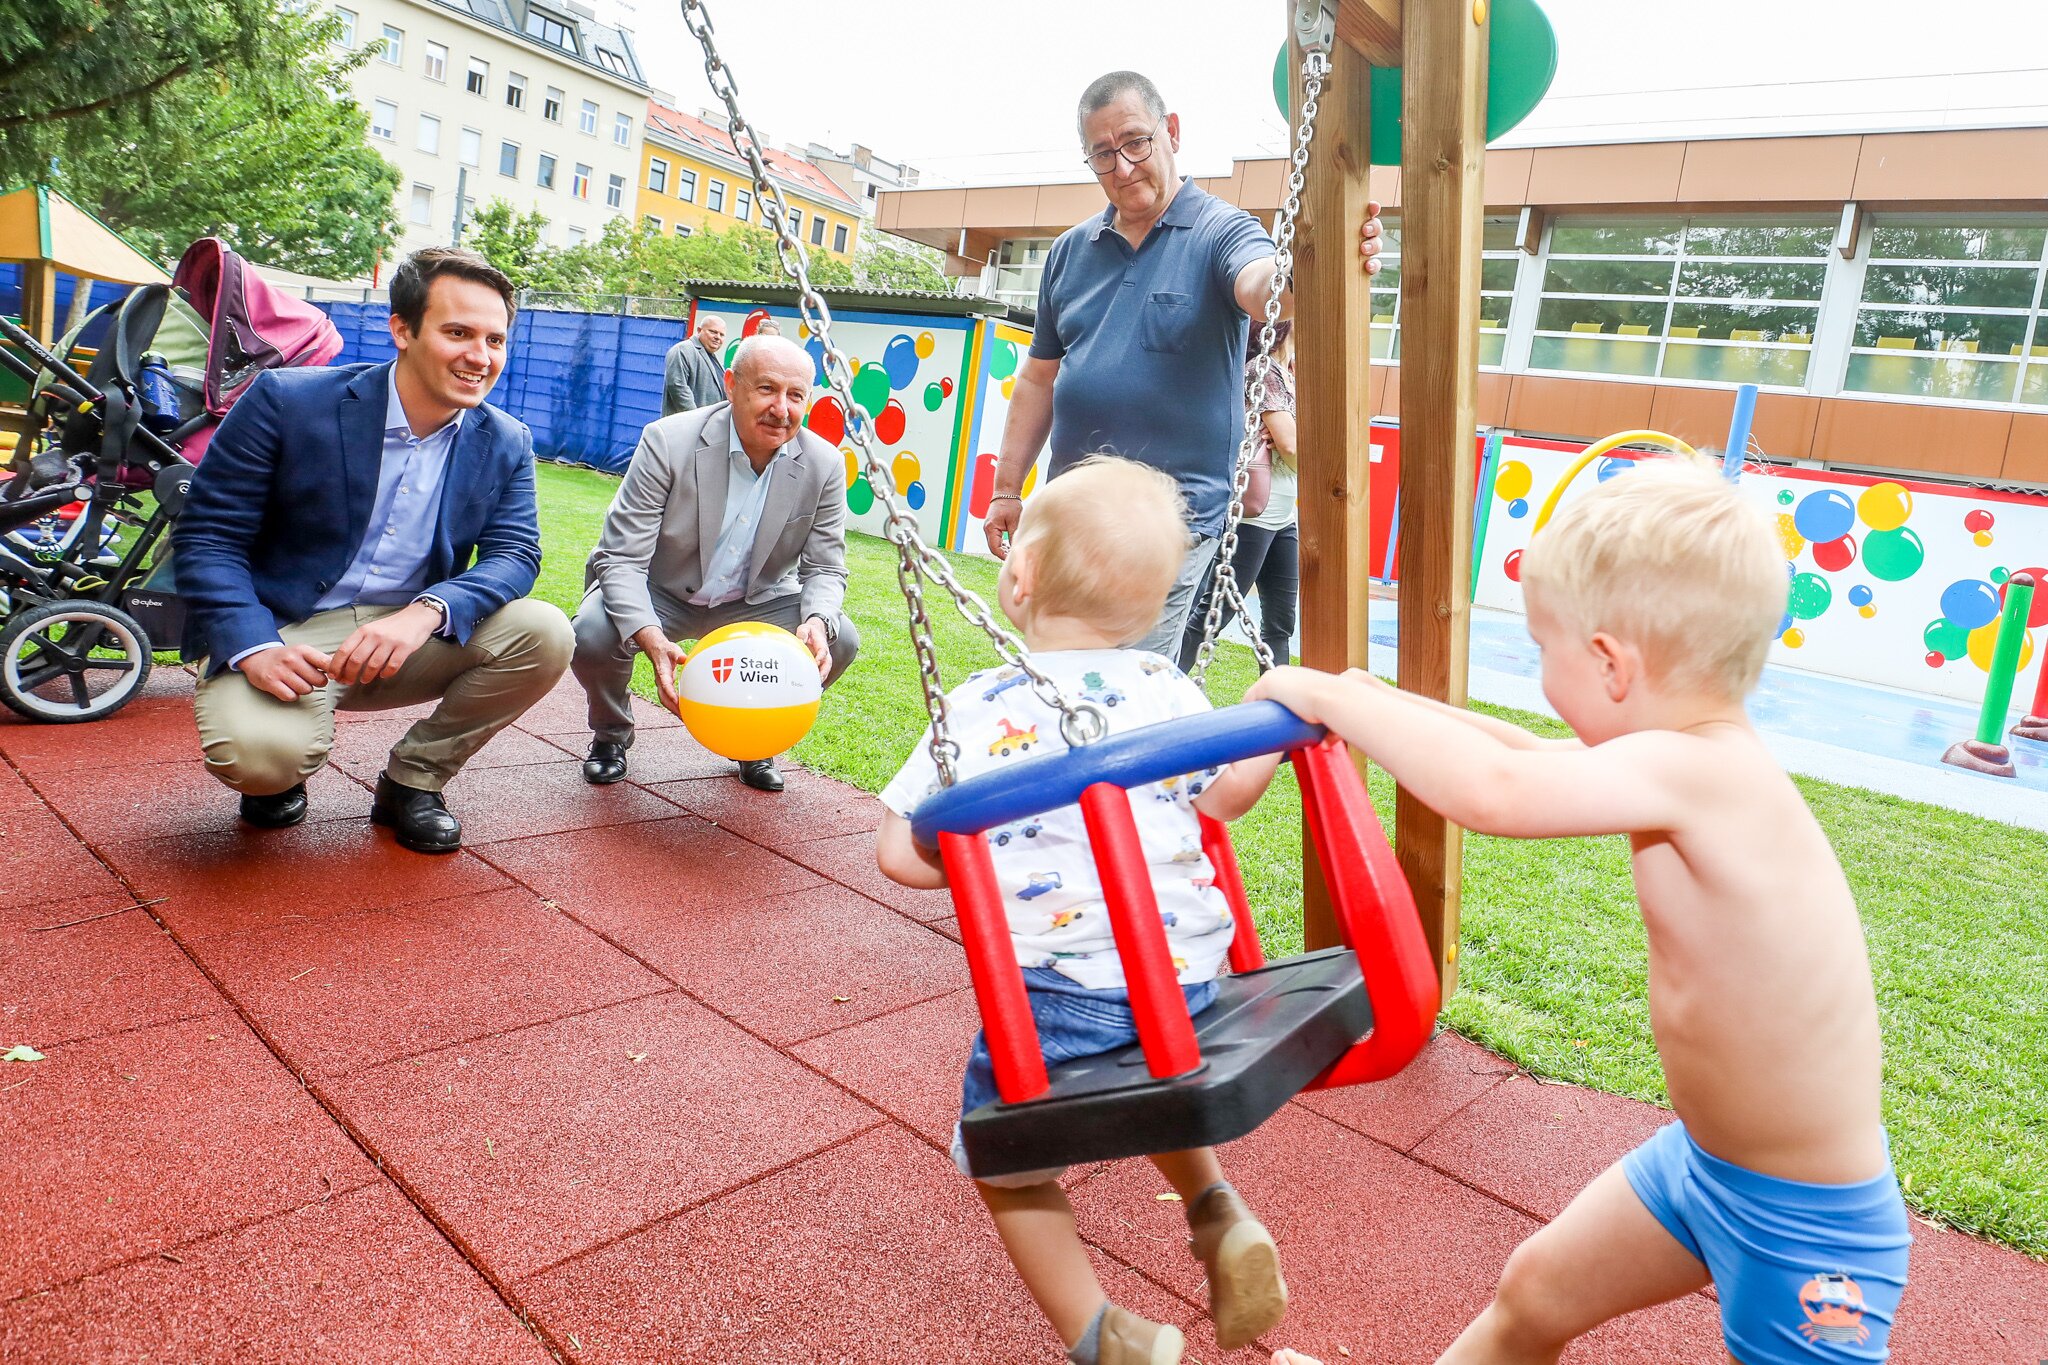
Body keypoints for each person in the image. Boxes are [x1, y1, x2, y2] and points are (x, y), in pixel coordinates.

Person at [1253, 461, 1909, 1365]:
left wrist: (1323, 698)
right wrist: (1374, 699)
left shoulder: (1708, 774)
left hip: (1806, 1223)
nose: (1535, 671)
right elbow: (1531, 752)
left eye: (1537, 649)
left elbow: (1500, 789)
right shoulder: (1680, 751)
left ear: (1611, 663)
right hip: (1702, 1169)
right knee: (1534, 1292)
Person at [877, 457, 1287, 1365]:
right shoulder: (1167, 687)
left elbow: (897, 854)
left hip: (1062, 1003)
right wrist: (1268, 712)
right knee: (1158, 1079)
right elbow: (1224, 800)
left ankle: (1104, 1336)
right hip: (1187, 988)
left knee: (1004, 1163)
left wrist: (954, 849)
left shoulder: (981, 705)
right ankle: (1216, 1208)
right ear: (1151, 606)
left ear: (1017, 578)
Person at [176, 247, 572, 853]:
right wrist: (253, 645)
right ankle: (278, 774)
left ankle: (413, 781)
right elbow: (209, 535)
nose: (479, 356)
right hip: (289, 628)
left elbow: (515, 553)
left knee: (545, 631)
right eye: (458, 333)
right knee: (260, 758)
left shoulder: (506, 439)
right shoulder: (286, 401)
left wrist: (427, 612)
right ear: (402, 330)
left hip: (409, 638)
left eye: (495, 340)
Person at [981, 70, 1383, 655]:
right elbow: (1040, 375)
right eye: (1102, 154)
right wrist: (1006, 488)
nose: (1121, 167)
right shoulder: (1071, 251)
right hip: (1076, 512)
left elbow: (1265, 287)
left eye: (1135, 142)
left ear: (1170, 132)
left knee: (1127, 684)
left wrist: (1324, 259)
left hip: (1172, 527)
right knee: (1055, 671)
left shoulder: (1220, 230)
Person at [573, 334, 859, 792]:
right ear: (730, 384)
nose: (781, 409)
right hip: (659, 589)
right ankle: (610, 735)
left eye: (795, 395)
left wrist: (817, 621)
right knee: (592, 633)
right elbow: (621, 557)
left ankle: (755, 738)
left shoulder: (824, 465)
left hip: (752, 599)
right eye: (766, 389)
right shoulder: (668, 440)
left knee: (838, 637)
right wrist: (647, 635)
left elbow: (826, 567)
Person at [1176, 317, 1298, 672]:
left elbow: (1301, 444)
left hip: (1285, 516)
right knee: (1215, 612)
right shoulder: (1264, 370)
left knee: (1280, 623)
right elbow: (1291, 444)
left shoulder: (1291, 374)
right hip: (1254, 515)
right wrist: (1300, 444)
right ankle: (1172, 683)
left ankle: (1280, 700)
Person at [662, 313, 729, 418]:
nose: (717, 337)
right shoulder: (682, 350)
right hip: (685, 427)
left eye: (722, 335)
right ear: (699, 330)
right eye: (713, 332)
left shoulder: (713, 358)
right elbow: (678, 387)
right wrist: (697, 420)